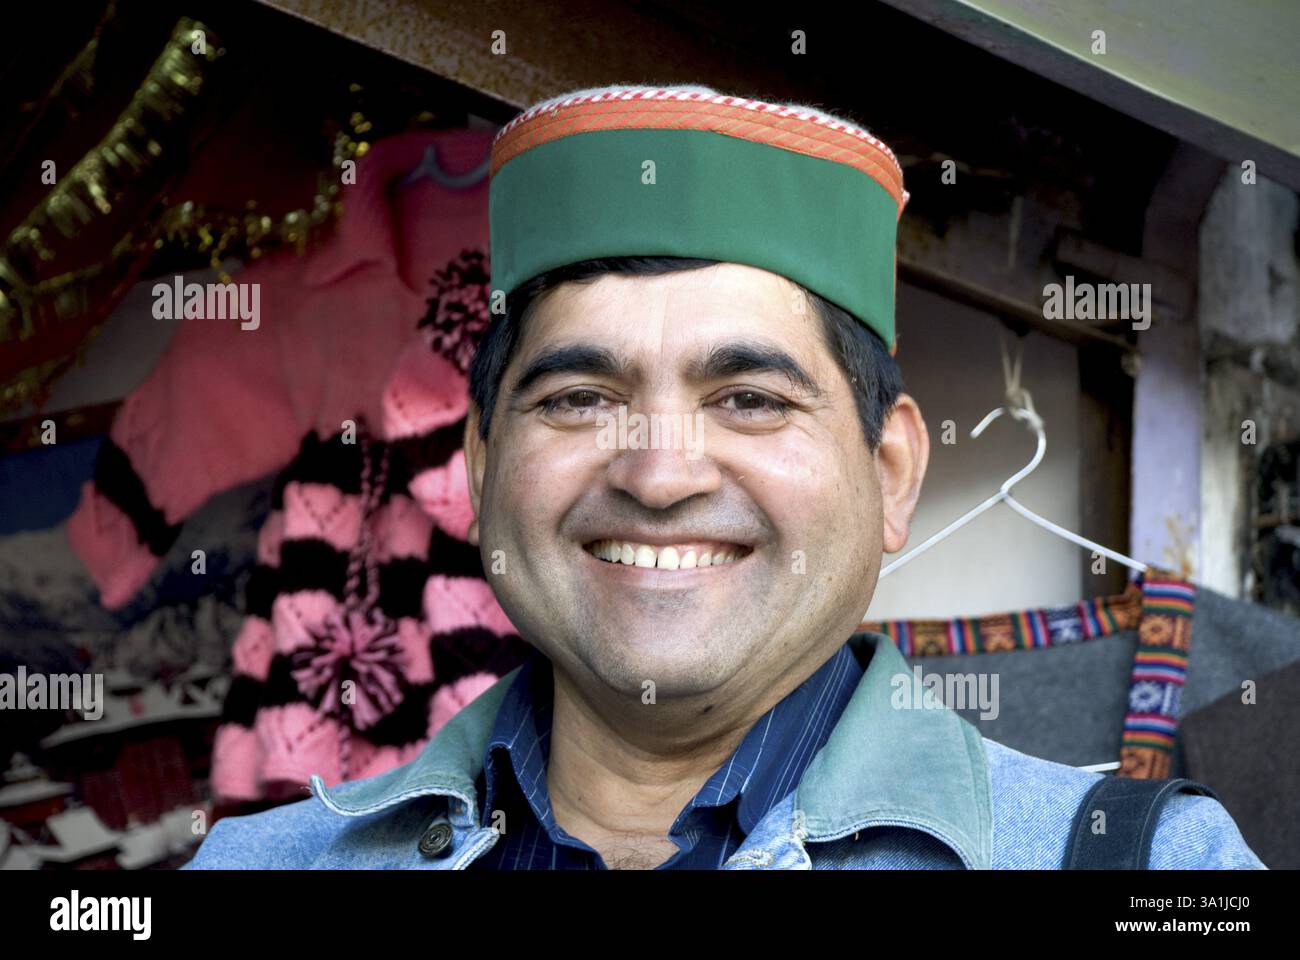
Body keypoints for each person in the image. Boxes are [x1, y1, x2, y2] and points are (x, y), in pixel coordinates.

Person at [185, 84, 1264, 870]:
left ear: (888, 473)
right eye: (578, 399)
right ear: (476, 465)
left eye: (748, 399)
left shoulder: (1152, 869)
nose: (658, 475)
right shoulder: (260, 866)